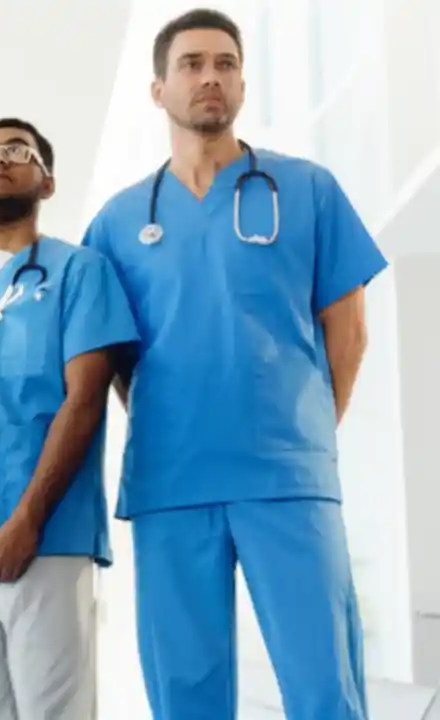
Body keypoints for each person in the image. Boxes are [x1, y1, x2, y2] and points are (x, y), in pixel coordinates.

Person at [82, 9, 387, 719]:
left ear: (243, 83)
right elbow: (115, 360)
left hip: (287, 477)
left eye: (224, 63)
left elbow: (349, 332)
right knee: (186, 693)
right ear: (158, 89)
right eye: (191, 64)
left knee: (324, 687)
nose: (210, 77)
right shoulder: (118, 222)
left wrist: (305, 425)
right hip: (171, 481)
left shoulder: (306, 190)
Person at [0, 118, 138, 720]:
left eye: (19, 151)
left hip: (47, 538)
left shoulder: (79, 272)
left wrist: (28, 520)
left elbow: (85, 399)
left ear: (47, 183)